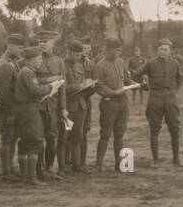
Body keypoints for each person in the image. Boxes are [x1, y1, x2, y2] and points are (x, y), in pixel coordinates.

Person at [130, 38, 183, 167]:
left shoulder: (175, 63)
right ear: (158, 50)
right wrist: (143, 84)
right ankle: (155, 160)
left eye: (166, 49)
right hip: (155, 97)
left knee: (174, 128)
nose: (163, 52)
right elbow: (135, 75)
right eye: (161, 49)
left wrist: (174, 91)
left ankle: (176, 158)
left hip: (170, 98)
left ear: (170, 50)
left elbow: (179, 78)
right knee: (154, 128)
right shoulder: (150, 63)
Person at [93, 38, 133, 173]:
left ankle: (119, 164)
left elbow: (126, 79)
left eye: (120, 50)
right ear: (108, 50)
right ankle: (98, 165)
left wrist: (137, 84)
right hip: (109, 103)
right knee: (105, 134)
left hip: (123, 102)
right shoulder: (100, 66)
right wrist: (113, 92)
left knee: (119, 134)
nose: (119, 52)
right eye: (117, 50)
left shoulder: (121, 62)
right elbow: (99, 87)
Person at [12, 46, 49, 185]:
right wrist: (50, 88)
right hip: (29, 110)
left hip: (23, 110)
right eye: (38, 58)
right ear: (31, 59)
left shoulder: (25, 71)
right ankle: (31, 177)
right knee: (35, 140)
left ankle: (24, 176)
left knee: (24, 142)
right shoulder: (28, 73)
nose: (40, 61)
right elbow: (36, 90)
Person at [0, 37, 24, 182]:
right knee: (7, 139)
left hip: (11, 108)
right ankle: (6, 172)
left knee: (11, 139)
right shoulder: (5, 65)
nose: (21, 51)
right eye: (19, 48)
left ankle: (9, 168)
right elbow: (3, 93)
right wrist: (10, 113)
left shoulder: (11, 62)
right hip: (7, 109)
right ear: (10, 46)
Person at [37, 35, 67, 179]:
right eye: (40, 41)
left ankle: (49, 167)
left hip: (53, 107)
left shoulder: (59, 62)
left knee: (52, 139)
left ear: (52, 44)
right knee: (38, 138)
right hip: (38, 106)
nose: (41, 44)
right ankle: (38, 169)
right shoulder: (35, 60)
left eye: (45, 42)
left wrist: (63, 107)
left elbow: (62, 87)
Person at [63, 41, 93, 174]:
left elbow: (83, 85)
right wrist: (79, 86)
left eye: (79, 55)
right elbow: (62, 88)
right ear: (69, 52)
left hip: (81, 106)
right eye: (75, 55)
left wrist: (89, 85)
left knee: (78, 136)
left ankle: (77, 165)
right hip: (67, 108)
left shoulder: (80, 66)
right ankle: (64, 166)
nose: (78, 58)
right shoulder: (61, 66)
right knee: (65, 137)